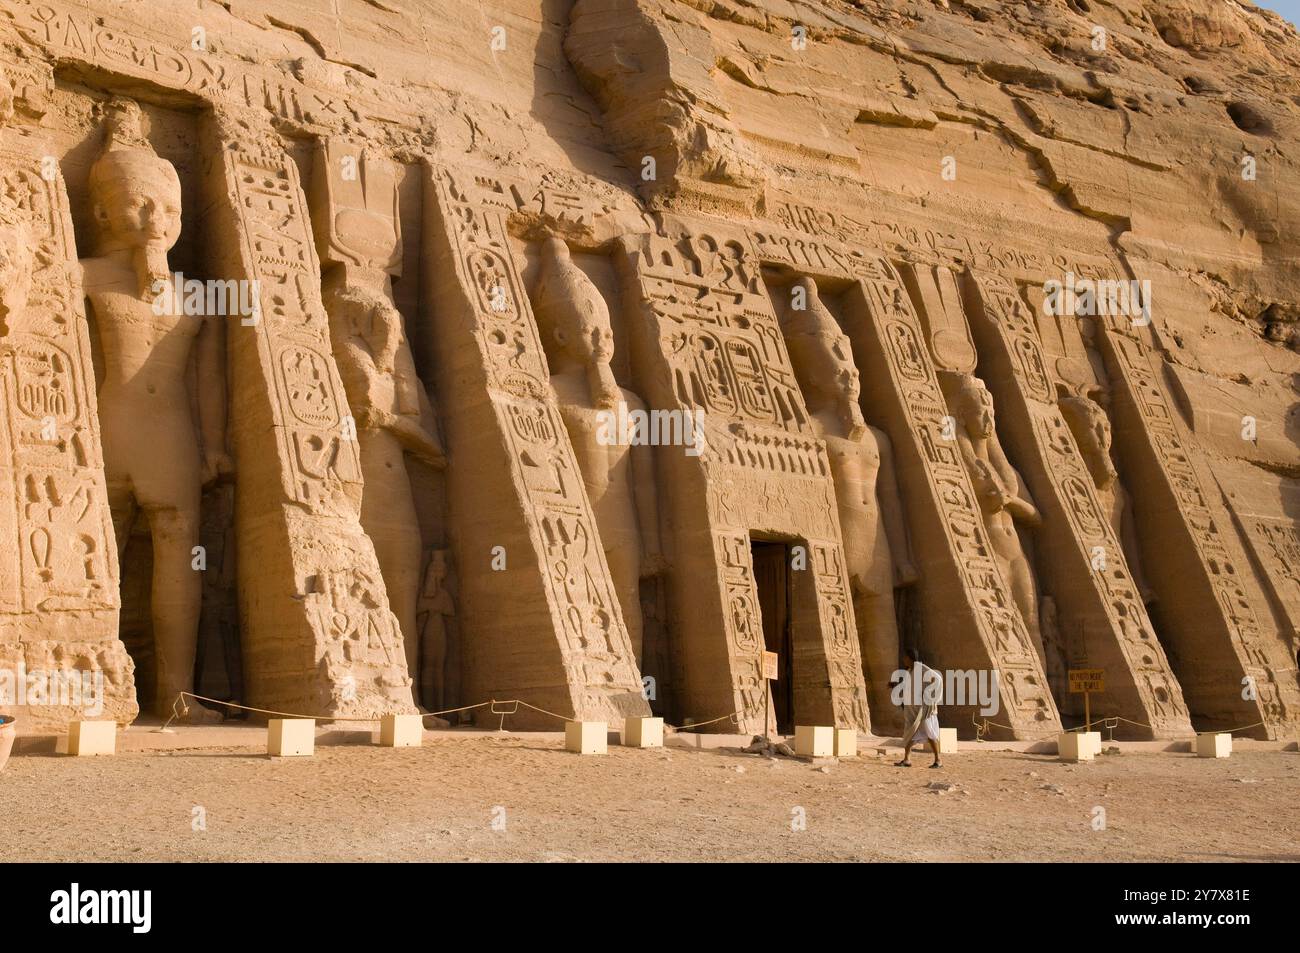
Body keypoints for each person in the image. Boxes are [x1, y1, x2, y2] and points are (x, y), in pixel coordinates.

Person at [896, 646, 942, 768]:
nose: (903, 659)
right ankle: (907, 759)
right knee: (909, 733)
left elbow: (937, 679)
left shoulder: (921, 668)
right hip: (912, 710)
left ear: (910, 658)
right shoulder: (910, 671)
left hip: (924, 710)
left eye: (905, 657)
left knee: (930, 734)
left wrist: (928, 695)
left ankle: (938, 760)